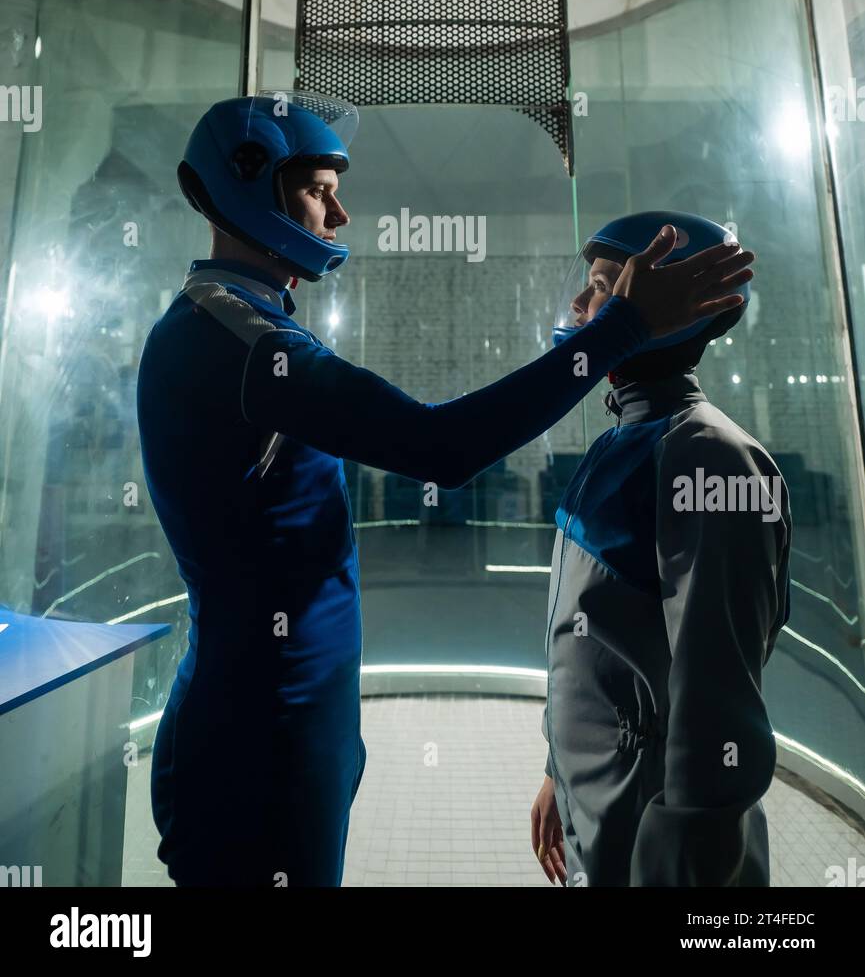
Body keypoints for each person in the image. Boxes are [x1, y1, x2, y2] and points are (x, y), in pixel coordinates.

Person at [137, 96, 754, 887]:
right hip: (258, 719)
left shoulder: (245, 326)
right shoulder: (236, 340)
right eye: (321, 188)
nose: (340, 211)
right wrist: (621, 327)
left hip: (290, 706)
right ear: (251, 181)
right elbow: (442, 447)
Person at [531, 211, 790, 889]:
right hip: (599, 803)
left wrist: (686, 860)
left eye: (600, 287)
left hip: (652, 833)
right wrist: (556, 775)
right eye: (584, 285)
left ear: (675, 310)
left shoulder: (709, 458)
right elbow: (589, 649)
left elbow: (718, 703)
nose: (579, 305)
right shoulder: (619, 443)